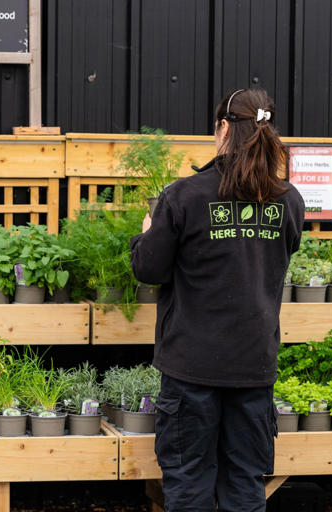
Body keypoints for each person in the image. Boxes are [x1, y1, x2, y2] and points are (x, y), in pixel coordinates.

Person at [130, 88, 305, 512]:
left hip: (192, 369)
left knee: (189, 482)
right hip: (254, 367)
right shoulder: (288, 201)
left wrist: (147, 231)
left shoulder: (184, 196)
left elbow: (148, 270)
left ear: (223, 127)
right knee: (245, 482)